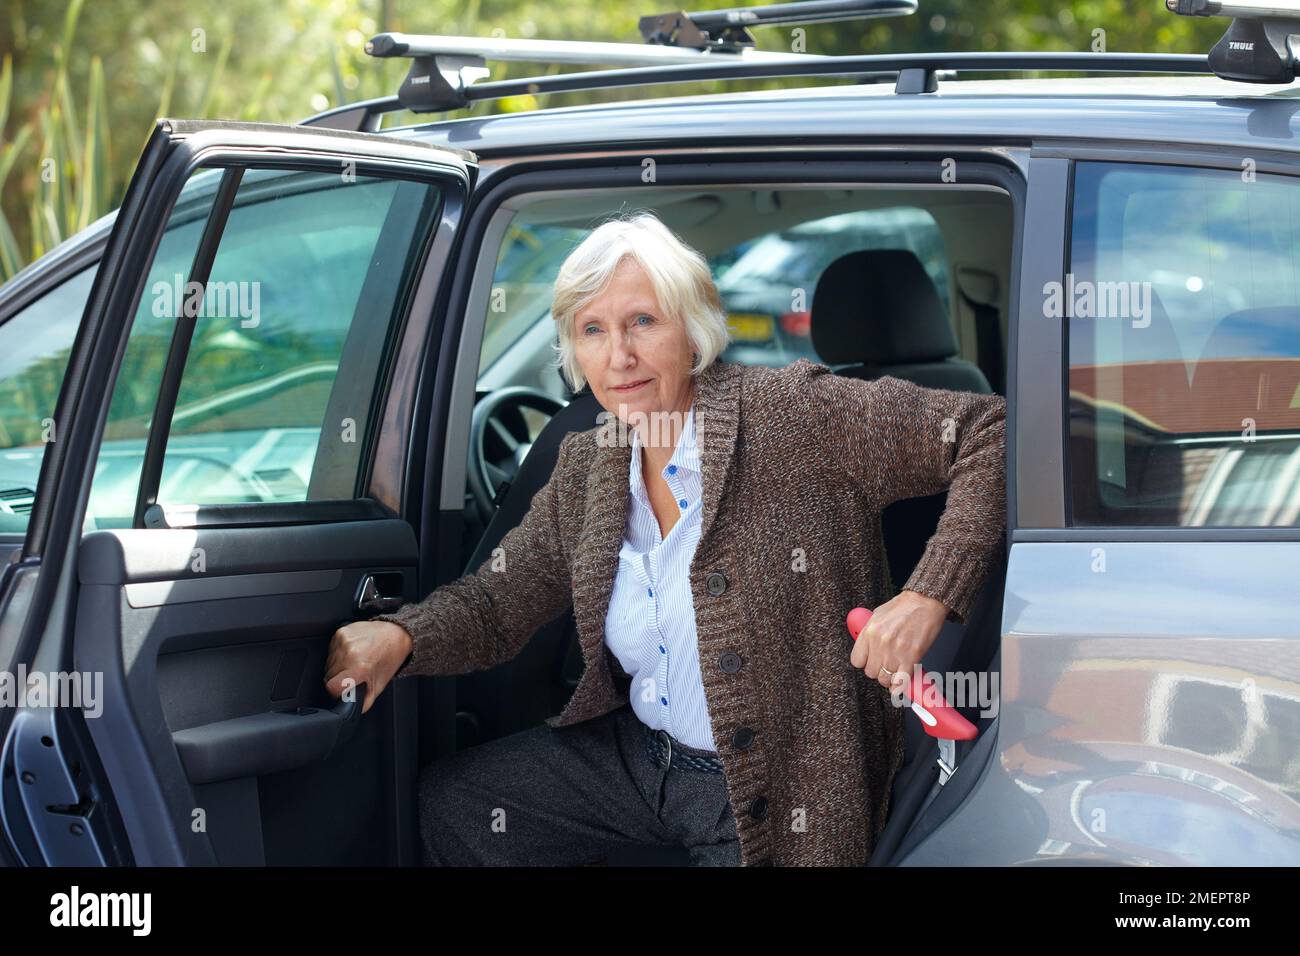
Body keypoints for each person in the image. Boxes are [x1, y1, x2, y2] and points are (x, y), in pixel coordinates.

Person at [323, 210, 1007, 866]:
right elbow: (499, 603)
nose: (618, 356)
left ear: (692, 327)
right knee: (461, 807)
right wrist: (403, 637)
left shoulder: (796, 414)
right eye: (593, 330)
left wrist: (927, 597)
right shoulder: (589, 466)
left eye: (641, 322)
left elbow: (994, 433)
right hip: (644, 757)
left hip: (782, 781)